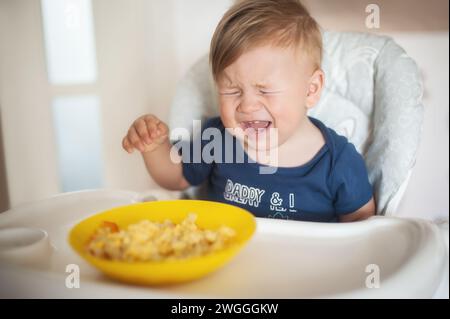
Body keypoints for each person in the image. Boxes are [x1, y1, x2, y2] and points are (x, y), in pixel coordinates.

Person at [122, 0, 376, 222]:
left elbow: (363, 232)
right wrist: (154, 147)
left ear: (310, 90)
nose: (247, 106)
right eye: (232, 90)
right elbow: (175, 178)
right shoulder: (218, 139)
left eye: (264, 90)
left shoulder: (339, 163)